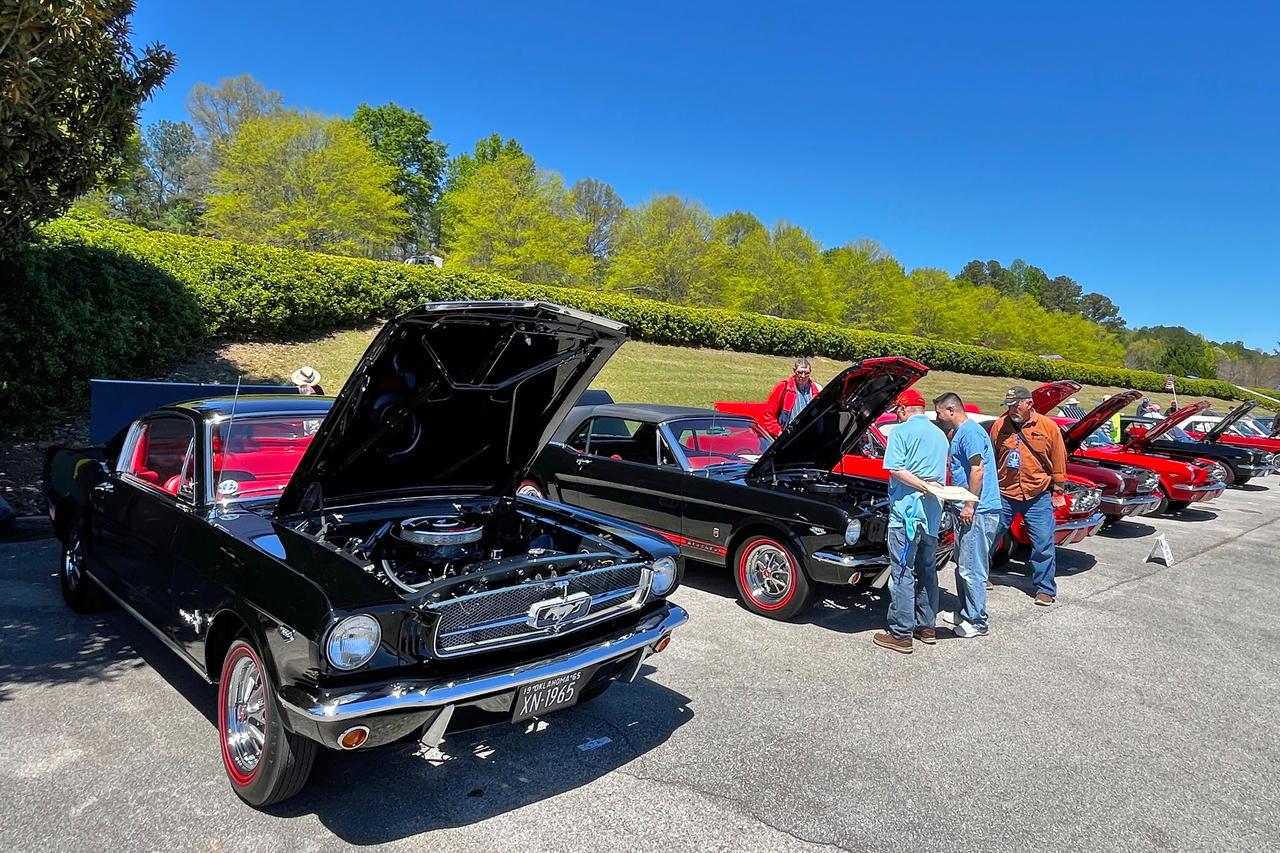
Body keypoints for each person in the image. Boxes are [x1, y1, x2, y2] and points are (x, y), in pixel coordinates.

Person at [872, 388, 949, 654]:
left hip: (905, 514)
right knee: (928, 568)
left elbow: (895, 468)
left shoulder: (900, 432)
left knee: (902, 570)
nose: (897, 415)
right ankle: (927, 626)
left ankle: (901, 632)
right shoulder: (940, 434)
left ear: (904, 410)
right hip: (932, 515)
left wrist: (920, 485)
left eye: (897, 411)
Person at [990, 386, 1068, 606]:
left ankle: (1045, 589)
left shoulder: (1048, 427)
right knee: (990, 535)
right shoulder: (1000, 425)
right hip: (1005, 492)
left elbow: (1059, 458)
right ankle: (982, 575)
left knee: (1043, 542)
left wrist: (1059, 489)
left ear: (1029, 404)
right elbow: (992, 456)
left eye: (1016, 405)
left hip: (1038, 494)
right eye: (1009, 405)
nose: (1011, 409)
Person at [934, 392, 1001, 637]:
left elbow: (977, 469)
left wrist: (970, 504)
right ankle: (965, 610)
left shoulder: (970, 433)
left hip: (978, 511)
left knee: (972, 567)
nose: (939, 418)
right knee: (963, 563)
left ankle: (978, 621)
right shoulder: (963, 433)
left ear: (951, 410)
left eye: (940, 414)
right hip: (966, 508)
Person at [761, 358, 822, 437]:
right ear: (794, 370)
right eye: (800, 372)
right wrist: (779, 433)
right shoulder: (783, 388)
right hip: (789, 437)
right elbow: (769, 415)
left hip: (810, 435)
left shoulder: (817, 389)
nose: (803, 376)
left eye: (806, 373)